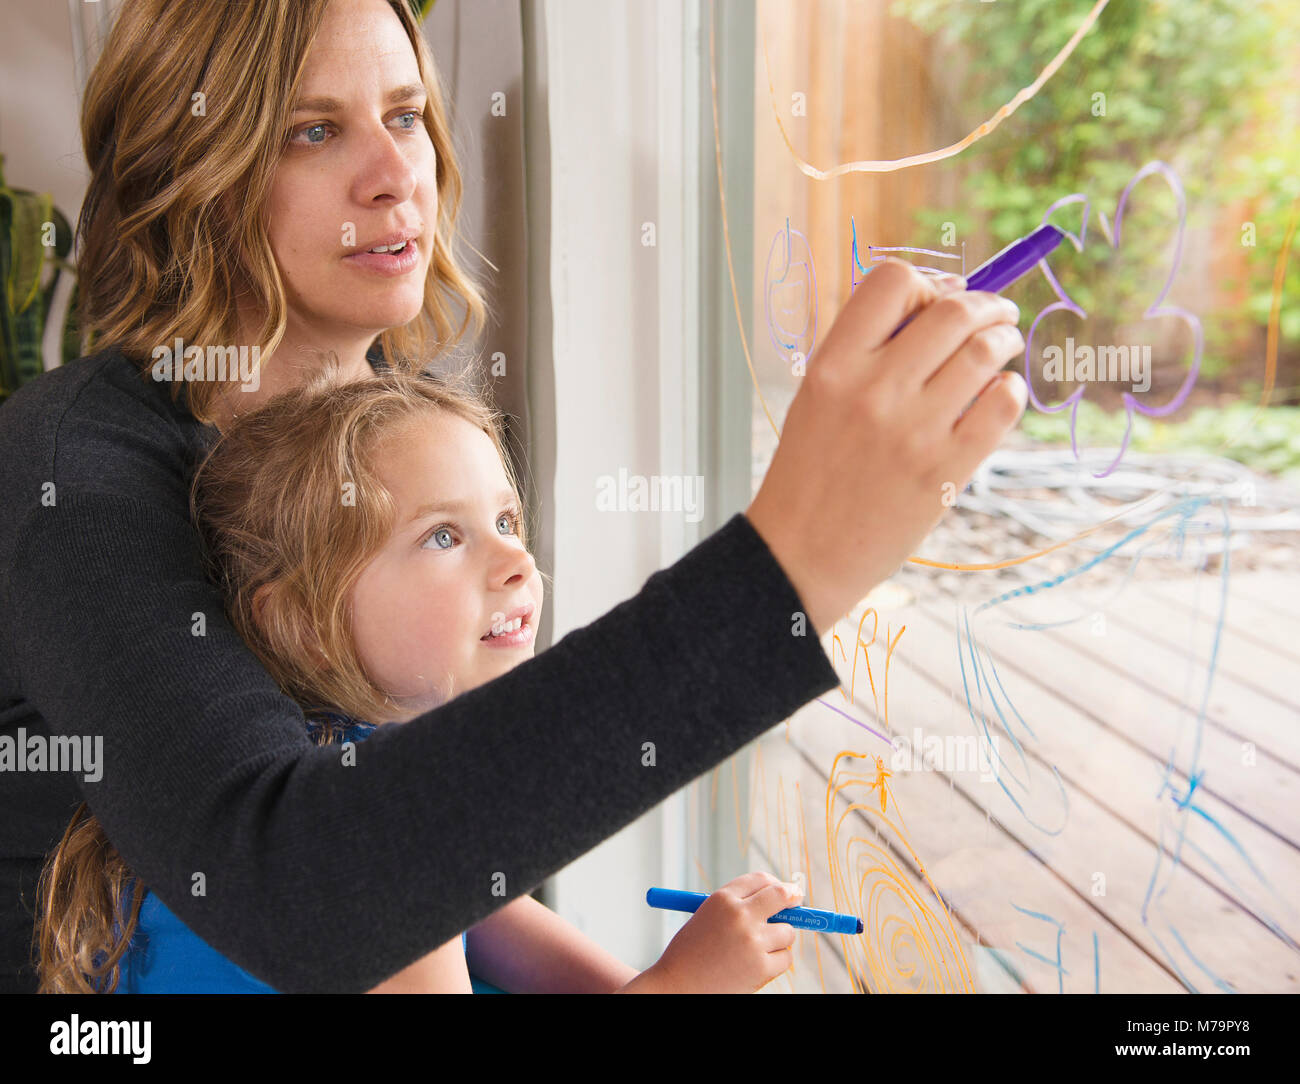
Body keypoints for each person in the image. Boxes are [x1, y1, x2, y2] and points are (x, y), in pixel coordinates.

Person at [0, 0, 1026, 993]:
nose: (397, 173)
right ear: (180, 173)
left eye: (405, 115)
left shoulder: (391, 417)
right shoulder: (75, 477)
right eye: (312, 130)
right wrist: (793, 564)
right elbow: (299, 888)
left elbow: (425, 826)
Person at [34, 368, 807, 994]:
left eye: (506, 522)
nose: (516, 563)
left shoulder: (346, 766)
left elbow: (516, 939)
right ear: (302, 620)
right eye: (444, 536)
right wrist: (689, 983)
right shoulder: (365, 854)